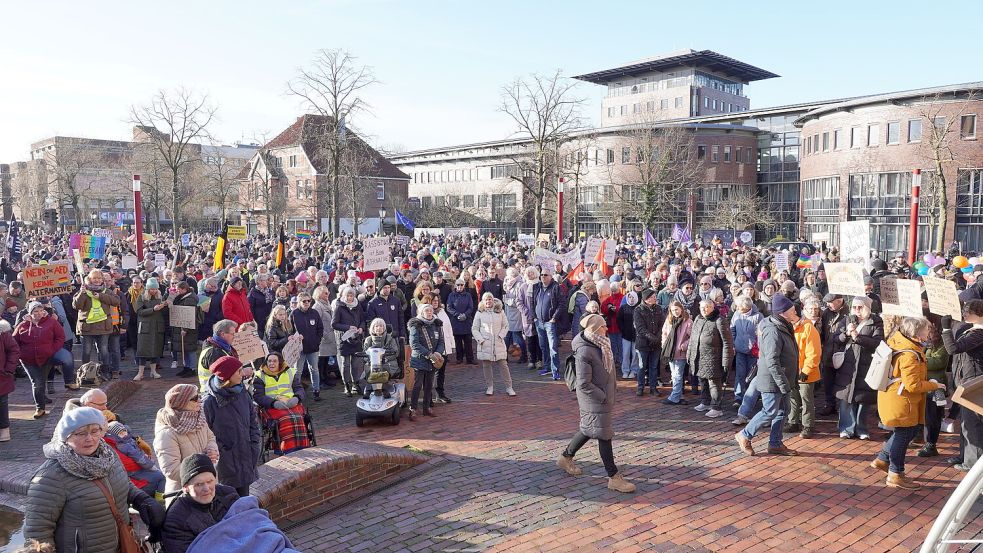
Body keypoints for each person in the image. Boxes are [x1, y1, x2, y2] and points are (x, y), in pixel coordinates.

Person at [23, 407, 164, 552]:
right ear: (66, 436)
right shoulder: (50, 476)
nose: (89, 438)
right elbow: (37, 531)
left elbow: (121, 482)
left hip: (121, 545)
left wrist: (140, 499)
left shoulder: (109, 455)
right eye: (80, 433)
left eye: (95, 431)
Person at [556, 314, 636, 494]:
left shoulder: (598, 343)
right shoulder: (585, 351)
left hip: (600, 399)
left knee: (588, 429)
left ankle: (566, 456)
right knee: (604, 435)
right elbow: (584, 383)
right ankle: (614, 477)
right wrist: (603, 396)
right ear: (594, 329)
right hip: (595, 400)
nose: (606, 329)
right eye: (603, 326)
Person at [870, 316, 942, 490]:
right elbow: (913, 385)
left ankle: (882, 459)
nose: (929, 332)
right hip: (903, 401)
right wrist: (934, 385)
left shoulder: (899, 341)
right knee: (904, 435)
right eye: (926, 329)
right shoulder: (910, 354)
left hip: (897, 398)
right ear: (917, 333)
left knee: (904, 433)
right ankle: (896, 474)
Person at [735, 295, 800, 457]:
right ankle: (745, 434)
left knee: (783, 410)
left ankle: (775, 443)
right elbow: (772, 360)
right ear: (783, 313)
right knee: (770, 411)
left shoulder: (783, 324)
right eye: (793, 310)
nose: (796, 312)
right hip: (773, 379)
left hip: (782, 378)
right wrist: (782, 383)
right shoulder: (773, 330)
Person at [202, 355, 260, 497]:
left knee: (244, 501)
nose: (242, 374)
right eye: (238, 371)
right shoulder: (209, 402)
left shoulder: (242, 393)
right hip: (226, 464)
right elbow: (206, 434)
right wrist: (223, 453)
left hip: (246, 456)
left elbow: (253, 421)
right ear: (227, 375)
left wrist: (254, 444)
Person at [161, 453, 241, 553]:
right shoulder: (176, 520)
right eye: (199, 484)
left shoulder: (229, 495)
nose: (206, 489)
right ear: (186, 488)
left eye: (210, 481)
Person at [154, 383, 219, 501]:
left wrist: (212, 450)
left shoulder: (199, 419)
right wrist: (203, 467)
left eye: (199, 396)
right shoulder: (166, 433)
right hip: (184, 495)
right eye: (194, 398)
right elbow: (171, 470)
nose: (200, 400)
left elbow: (211, 438)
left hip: (207, 489)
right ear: (181, 402)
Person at [942, 301, 983, 471]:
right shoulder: (971, 329)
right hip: (965, 381)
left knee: (973, 424)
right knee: (965, 422)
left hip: (973, 382)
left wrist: (945, 329)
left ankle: (972, 463)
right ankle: (964, 455)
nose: (964, 313)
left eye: (969, 311)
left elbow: (953, 349)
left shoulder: (979, 333)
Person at [835, 296, 883, 440]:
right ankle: (846, 428)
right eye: (855, 307)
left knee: (863, 399)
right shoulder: (847, 320)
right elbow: (836, 338)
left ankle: (861, 428)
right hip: (848, 365)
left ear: (868, 308)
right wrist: (846, 334)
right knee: (846, 398)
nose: (857, 310)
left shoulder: (876, 322)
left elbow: (877, 342)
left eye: (860, 307)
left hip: (866, 364)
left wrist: (858, 337)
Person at [14, 301, 65, 419]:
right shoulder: (22, 325)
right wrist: (20, 354)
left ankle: (43, 400)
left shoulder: (51, 322)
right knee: (37, 382)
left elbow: (60, 337)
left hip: (46, 357)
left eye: (41, 310)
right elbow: (14, 341)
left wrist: (53, 349)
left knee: (41, 381)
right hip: (28, 360)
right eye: (35, 311)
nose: (39, 313)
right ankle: (40, 408)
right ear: (30, 313)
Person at [253, 351, 311, 454]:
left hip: (290, 402)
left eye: (275, 361)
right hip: (272, 406)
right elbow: (258, 396)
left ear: (280, 362)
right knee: (286, 418)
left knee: (298, 417)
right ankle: (288, 449)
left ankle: (302, 446)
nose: (271, 364)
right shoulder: (259, 376)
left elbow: (299, 389)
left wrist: (296, 398)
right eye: (269, 361)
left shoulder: (290, 372)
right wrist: (274, 403)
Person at [687, 299, 734, 418]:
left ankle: (716, 407)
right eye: (702, 307)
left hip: (713, 357)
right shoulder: (698, 319)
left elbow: (727, 343)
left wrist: (726, 361)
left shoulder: (719, 321)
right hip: (699, 356)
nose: (704, 309)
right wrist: (689, 354)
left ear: (713, 308)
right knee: (702, 379)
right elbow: (692, 339)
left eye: (707, 307)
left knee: (714, 382)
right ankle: (705, 401)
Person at [73, 269, 121, 376]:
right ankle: (84, 374)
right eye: (94, 278)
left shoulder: (106, 291)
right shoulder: (83, 291)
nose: (97, 280)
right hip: (87, 327)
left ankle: (104, 372)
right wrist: (82, 293)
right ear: (89, 279)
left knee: (103, 351)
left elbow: (116, 302)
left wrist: (100, 296)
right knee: (86, 351)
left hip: (103, 327)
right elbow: (76, 305)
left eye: (99, 278)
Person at [786, 300, 822, 439]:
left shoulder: (808, 327)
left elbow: (814, 353)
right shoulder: (789, 327)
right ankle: (793, 421)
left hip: (805, 372)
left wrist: (806, 371)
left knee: (806, 399)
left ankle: (808, 425)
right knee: (793, 398)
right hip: (792, 370)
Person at [104, 420, 166, 497]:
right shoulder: (124, 446)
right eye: (121, 433)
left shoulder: (127, 440)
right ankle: (161, 497)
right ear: (115, 436)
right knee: (161, 476)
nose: (124, 434)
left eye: (124, 431)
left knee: (159, 475)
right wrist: (151, 466)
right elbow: (138, 457)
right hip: (134, 471)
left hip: (138, 466)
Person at [472, 292, 515, 396]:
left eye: (490, 299)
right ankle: (489, 387)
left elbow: (505, 325)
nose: (488, 301)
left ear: (493, 300)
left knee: (503, 365)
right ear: (483, 301)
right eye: (486, 300)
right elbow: (474, 328)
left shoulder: (500, 311)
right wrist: (481, 340)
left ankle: (509, 387)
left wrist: (501, 336)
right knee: (486, 366)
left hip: (498, 343)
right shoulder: (479, 313)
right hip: (485, 343)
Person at [407, 303, 445, 419]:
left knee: (429, 385)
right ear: (421, 312)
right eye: (426, 311)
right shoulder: (416, 325)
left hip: (433, 360)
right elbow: (414, 344)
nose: (429, 313)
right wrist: (429, 354)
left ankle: (426, 408)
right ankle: (413, 409)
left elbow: (441, 342)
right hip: (420, 359)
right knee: (418, 385)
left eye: (430, 311)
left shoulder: (436, 324)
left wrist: (437, 353)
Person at [818, 293, 849, 416]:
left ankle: (843, 406)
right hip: (827, 352)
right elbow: (823, 334)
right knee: (828, 381)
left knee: (843, 381)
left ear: (839, 300)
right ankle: (829, 404)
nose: (827, 305)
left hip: (843, 353)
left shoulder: (849, 313)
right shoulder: (826, 313)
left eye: (830, 302)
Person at [332, 285, 366, 397]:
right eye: (348, 295)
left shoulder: (358, 305)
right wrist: (347, 327)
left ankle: (356, 384)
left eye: (351, 295)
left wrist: (361, 328)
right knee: (345, 364)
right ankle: (347, 385)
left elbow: (362, 319)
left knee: (356, 364)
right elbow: (334, 324)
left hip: (356, 338)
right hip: (344, 339)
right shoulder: (339, 307)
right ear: (343, 296)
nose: (350, 297)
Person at [290, 291, 324, 399]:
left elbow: (320, 328)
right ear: (299, 302)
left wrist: (317, 341)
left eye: (308, 301)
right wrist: (294, 340)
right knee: (297, 371)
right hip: (299, 348)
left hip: (313, 347)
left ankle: (316, 391)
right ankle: (298, 392)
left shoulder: (314, 313)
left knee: (314, 369)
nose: (306, 303)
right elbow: (289, 330)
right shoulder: (294, 314)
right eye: (304, 301)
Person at [730, 295, 762, 406]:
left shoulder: (758, 316)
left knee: (751, 375)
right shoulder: (736, 315)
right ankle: (738, 397)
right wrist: (733, 344)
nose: (737, 309)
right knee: (740, 374)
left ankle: (751, 397)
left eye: (740, 307)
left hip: (753, 352)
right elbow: (732, 330)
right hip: (740, 350)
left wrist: (757, 347)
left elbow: (761, 335)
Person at [531, 271, 563, 380]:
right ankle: (547, 367)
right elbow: (532, 303)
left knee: (552, 347)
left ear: (550, 276)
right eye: (541, 275)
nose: (543, 277)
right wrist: (534, 317)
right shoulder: (537, 287)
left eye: (545, 275)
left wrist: (554, 318)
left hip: (550, 322)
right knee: (543, 346)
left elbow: (561, 303)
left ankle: (555, 370)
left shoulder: (556, 287)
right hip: (539, 322)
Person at [633, 289, 665, 397]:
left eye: (655, 296)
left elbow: (662, 325)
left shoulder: (659, 309)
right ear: (646, 299)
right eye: (652, 297)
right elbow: (640, 328)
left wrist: (658, 337)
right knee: (642, 366)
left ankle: (653, 387)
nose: (654, 298)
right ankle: (640, 387)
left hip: (656, 343)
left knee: (654, 366)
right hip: (643, 343)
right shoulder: (638, 310)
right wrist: (652, 338)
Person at [134, 277, 167, 380]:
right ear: (148, 289)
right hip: (145, 327)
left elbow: (165, 314)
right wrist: (153, 309)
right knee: (143, 350)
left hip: (157, 327)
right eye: (151, 289)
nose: (153, 291)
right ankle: (140, 372)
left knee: (155, 349)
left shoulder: (160, 298)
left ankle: (153, 371)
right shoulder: (142, 297)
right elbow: (139, 312)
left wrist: (166, 306)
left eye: (155, 289)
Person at [660, 300, 692, 405]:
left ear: (681, 309)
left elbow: (692, 337)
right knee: (674, 375)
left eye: (677, 310)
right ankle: (679, 395)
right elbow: (664, 333)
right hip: (670, 351)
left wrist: (684, 346)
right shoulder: (669, 320)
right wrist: (664, 345)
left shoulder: (687, 321)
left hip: (681, 352)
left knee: (678, 375)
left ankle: (674, 397)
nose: (675, 312)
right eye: (673, 310)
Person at [361, 318, 401, 399]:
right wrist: (369, 359)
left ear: (384, 328)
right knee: (369, 369)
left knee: (384, 368)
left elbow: (396, 352)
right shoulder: (368, 340)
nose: (379, 328)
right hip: (372, 364)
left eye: (381, 326)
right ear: (373, 328)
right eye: (376, 326)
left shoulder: (390, 338)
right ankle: (368, 390)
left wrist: (384, 358)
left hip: (388, 362)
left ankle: (384, 388)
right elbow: (364, 354)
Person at [197, 319, 239, 392]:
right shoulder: (214, 353)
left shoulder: (221, 348)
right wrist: (243, 373)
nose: (234, 336)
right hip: (213, 394)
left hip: (217, 392)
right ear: (223, 334)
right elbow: (225, 376)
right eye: (232, 334)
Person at [171, 281, 202, 378]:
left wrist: (185, 329)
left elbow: (189, 316)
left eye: (178, 289)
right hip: (185, 326)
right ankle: (187, 367)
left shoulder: (190, 299)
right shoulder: (185, 297)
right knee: (186, 348)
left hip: (189, 328)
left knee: (190, 349)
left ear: (184, 289)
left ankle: (192, 368)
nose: (177, 291)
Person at [428, 294, 455, 403]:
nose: (435, 302)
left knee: (441, 372)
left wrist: (452, 345)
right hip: (433, 348)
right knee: (431, 373)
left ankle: (440, 394)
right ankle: (428, 396)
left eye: (436, 300)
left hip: (444, 345)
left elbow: (448, 328)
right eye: (433, 300)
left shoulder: (442, 312)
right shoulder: (428, 313)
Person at [312, 286, 338, 390]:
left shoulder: (327, 304)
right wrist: (323, 335)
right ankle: (320, 381)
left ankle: (325, 378)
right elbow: (316, 324)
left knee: (326, 359)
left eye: (328, 293)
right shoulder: (317, 307)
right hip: (323, 338)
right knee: (321, 360)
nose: (328, 295)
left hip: (329, 337)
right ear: (319, 294)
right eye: (325, 293)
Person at [446, 279, 476, 365]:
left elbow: (471, 307)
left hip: (466, 321)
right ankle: (459, 358)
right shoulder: (451, 295)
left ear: (464, 286)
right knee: (458, 341)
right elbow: (449, 307)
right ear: (455, 285)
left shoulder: (468, 295)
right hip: (456, 321)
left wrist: (465, 315)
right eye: (458, 285)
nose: (460, 287)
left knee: (468, 341)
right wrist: (457, 314)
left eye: (461, 285)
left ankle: (470, 358)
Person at [0, 319, 19, 442]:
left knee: (2, 402)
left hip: (1, 374)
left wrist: (9, 368)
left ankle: (4, 428)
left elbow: (13, 349)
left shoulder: (3, 331)